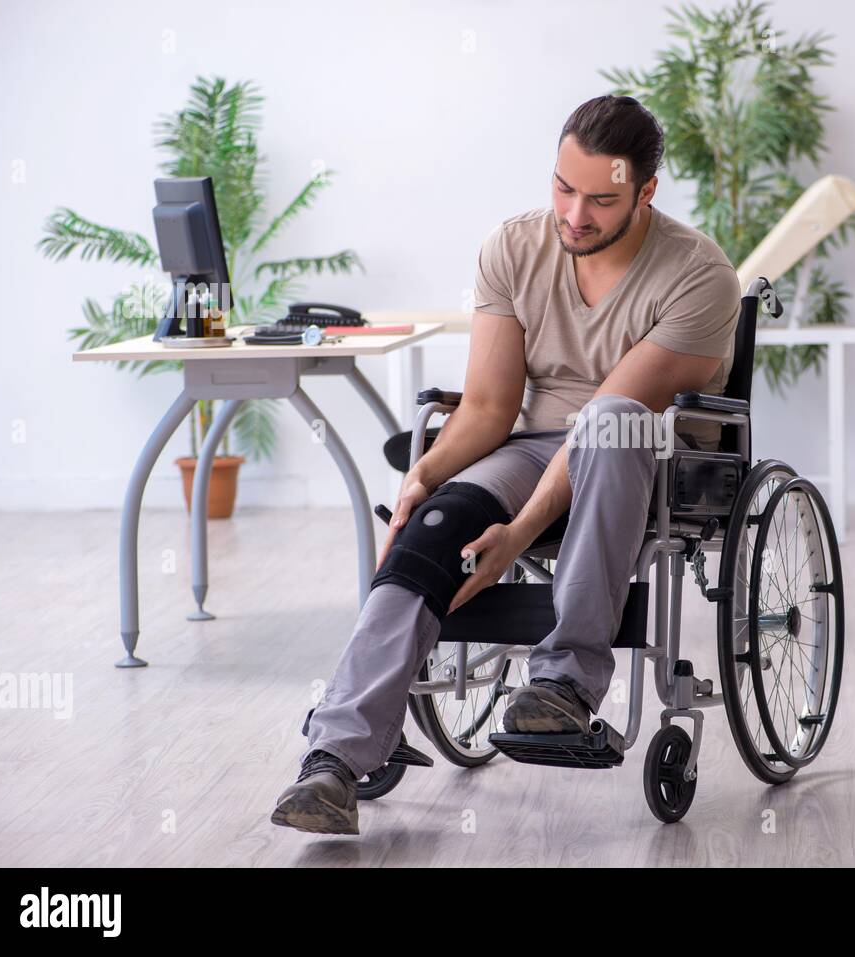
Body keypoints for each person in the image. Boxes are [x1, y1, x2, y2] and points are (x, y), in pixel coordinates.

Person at [271, 94, 742, 835]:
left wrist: (519, 533)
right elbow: (490, 408)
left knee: (611, 423)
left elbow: (605, 420)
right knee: (437, 519)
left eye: (601, 199)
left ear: (646, 192)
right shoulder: (514, 247)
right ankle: (335, 755)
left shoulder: (699, 275)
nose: (575, 215)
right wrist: (422, 478)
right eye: (563, 187)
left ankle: (564, 681)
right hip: (533, 444)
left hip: (642, 455)